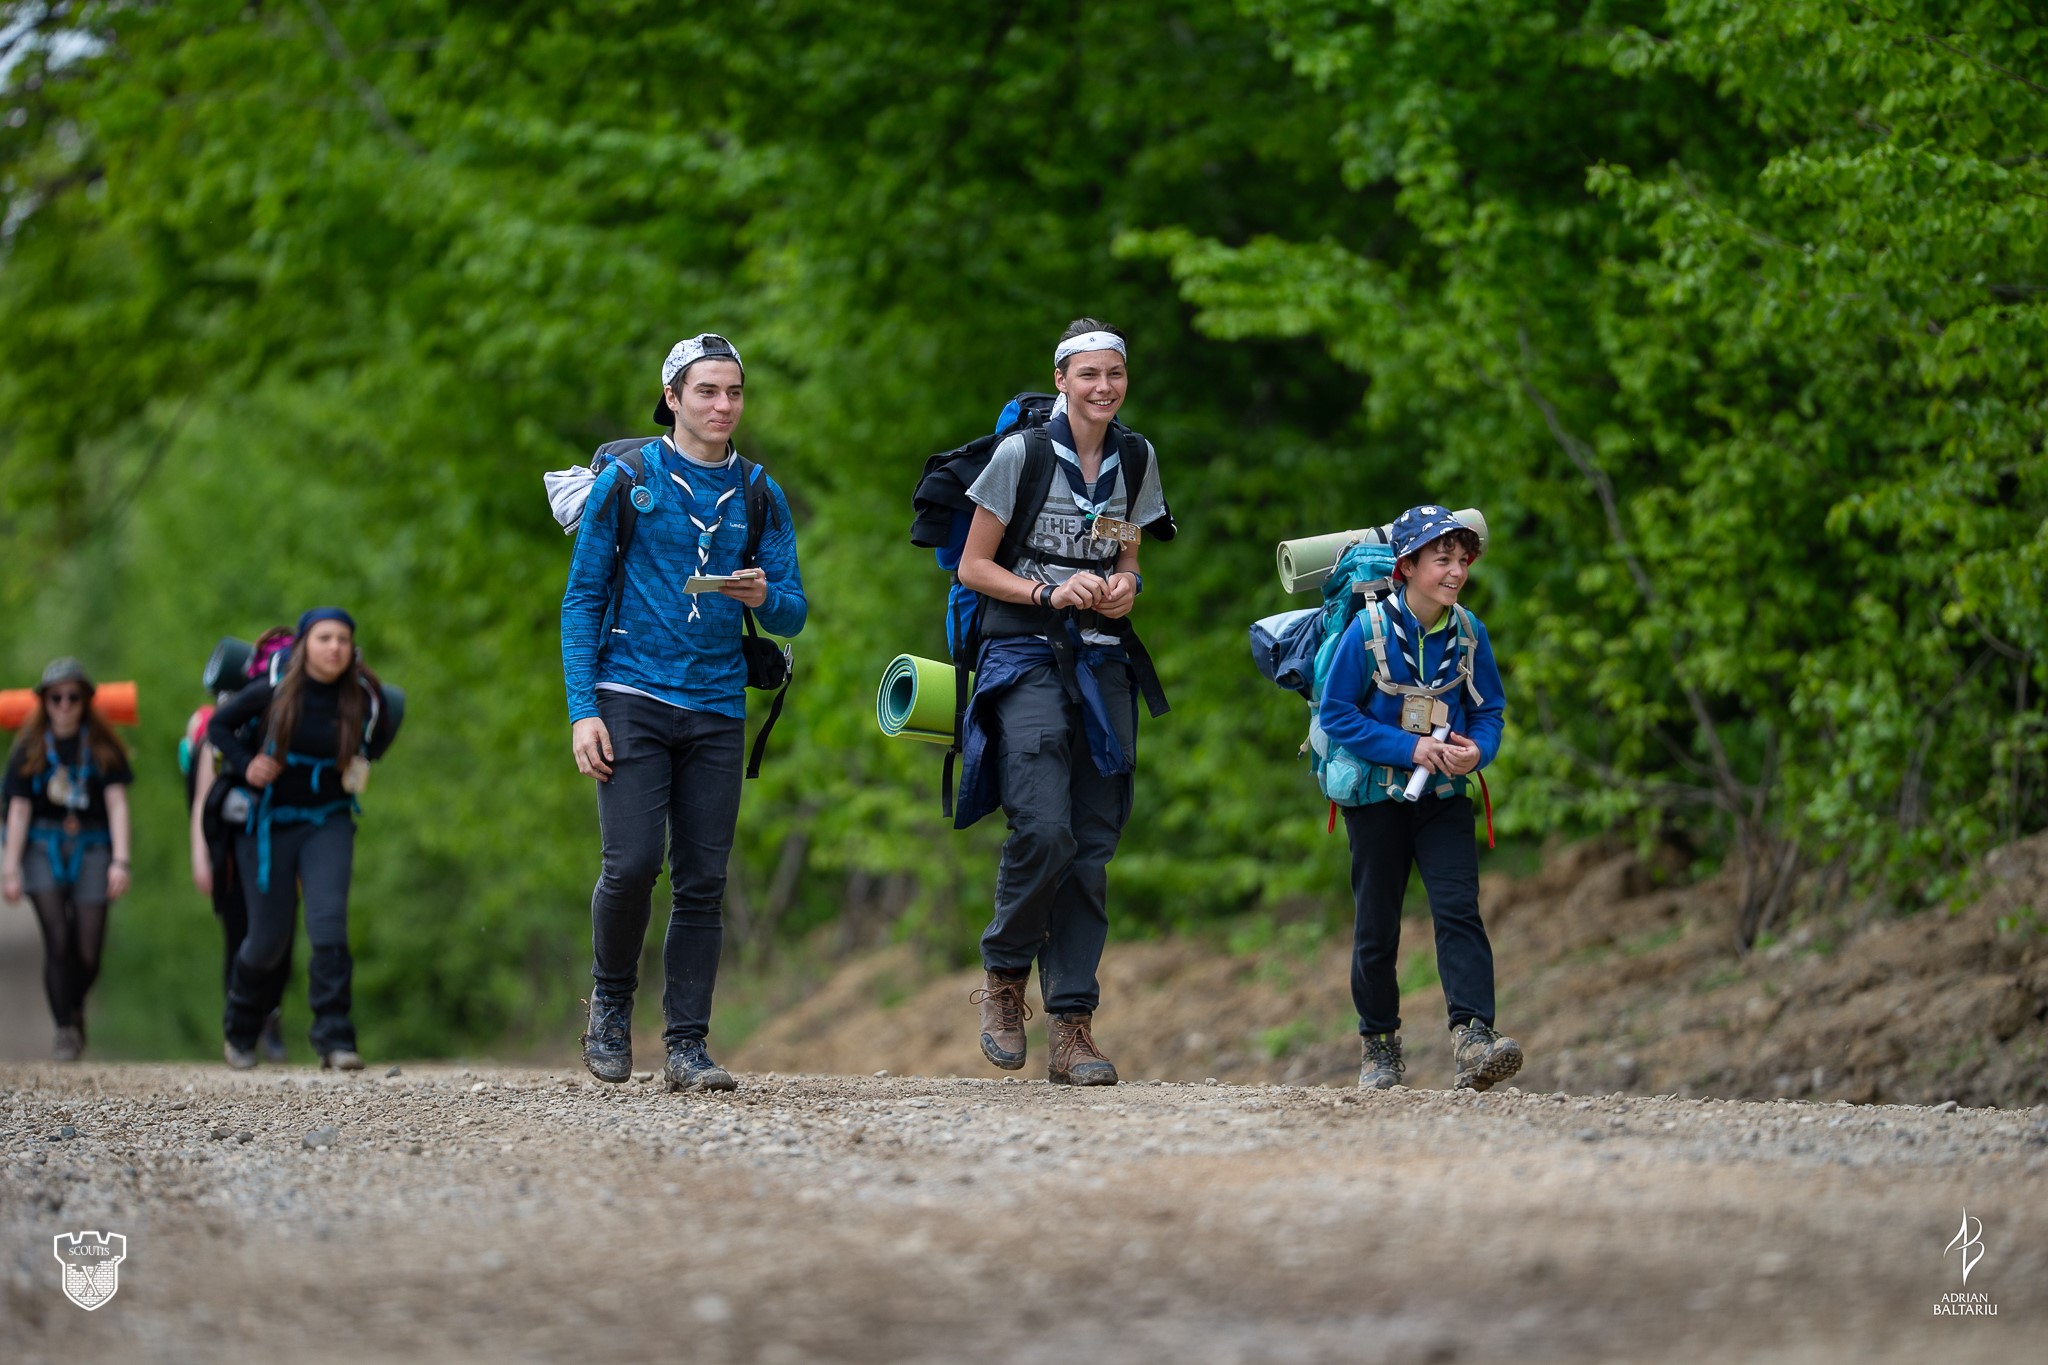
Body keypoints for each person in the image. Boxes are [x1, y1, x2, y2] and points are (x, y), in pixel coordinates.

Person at [562, 332, 807, 1092]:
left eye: (734, 391)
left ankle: (688, 1045)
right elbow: (582, 600)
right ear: (672, 397)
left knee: (702, 879)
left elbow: (795, 612)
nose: (723, 405)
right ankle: (609, 1003)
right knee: (632, 864)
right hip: (630, 693)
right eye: (706, 391)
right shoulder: (628, 481)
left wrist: (765, 597)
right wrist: (582, 710)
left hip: (715, 704)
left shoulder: (761, 492)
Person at [953, 318, 1171, 1086]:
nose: (1103, 387)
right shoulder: (1022, 455)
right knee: (1044, 828)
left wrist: (1124, 589)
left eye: (1114, 373)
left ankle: (1073, 1026)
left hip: (1105, 663)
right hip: (1023, 655)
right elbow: (974, 567)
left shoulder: (1136, 457)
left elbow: (1132, 555)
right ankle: (1006, 976)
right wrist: (1048, 589)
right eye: (1089, 375)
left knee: (1091, 844)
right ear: (1061, 380)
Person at [1315, 505, 1520, 1091]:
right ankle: (1379, 1045)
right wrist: (1409, 752)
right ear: (1406, 567)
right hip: (1376, 799)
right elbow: (1336, 714)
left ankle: (1474, 1038)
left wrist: (1475, 754)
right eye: (1442, 560)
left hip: (1445, 797)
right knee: (1376, 926)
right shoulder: (1369, 630)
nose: (1455, 572)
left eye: (1463, 560)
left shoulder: (1468, 631)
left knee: (1458, 910)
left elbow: (1489, 712)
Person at [207, 608, 397, 1070]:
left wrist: (358, 763)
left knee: (329, 925)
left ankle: (335, 1040)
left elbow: (379, 740)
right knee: (268, 940)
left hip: (327, 821)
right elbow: (218, 727)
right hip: (267, 823)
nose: (335, 647)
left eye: (343, 640)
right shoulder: (272, 692)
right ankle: (240, 1028)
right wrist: (246, 764)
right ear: (303, 647)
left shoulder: (363, 700)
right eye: (324, 638)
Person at [1, 659, 133, 1061]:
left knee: (88, 950)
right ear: (43, 701)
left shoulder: (103, 747)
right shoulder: (28, 747)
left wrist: (121, 860)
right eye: (56, 697)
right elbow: (18, 811)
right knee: (58, 940)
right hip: (41, 846)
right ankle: (64, 1030)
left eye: (73, 697)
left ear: (87, 700)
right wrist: (10, 868)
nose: (64, 704)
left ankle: (73, 1005)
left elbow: (117, 806)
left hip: (93, 845)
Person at [185, 705, 290, 1062]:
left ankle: (270, 1017)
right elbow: (203, 800)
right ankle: (240, 1023)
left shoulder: (286, 722)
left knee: (280, 936)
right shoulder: (219, 733)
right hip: (230, 853)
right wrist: (200, 857)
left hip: (277, 843)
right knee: (238, 933)